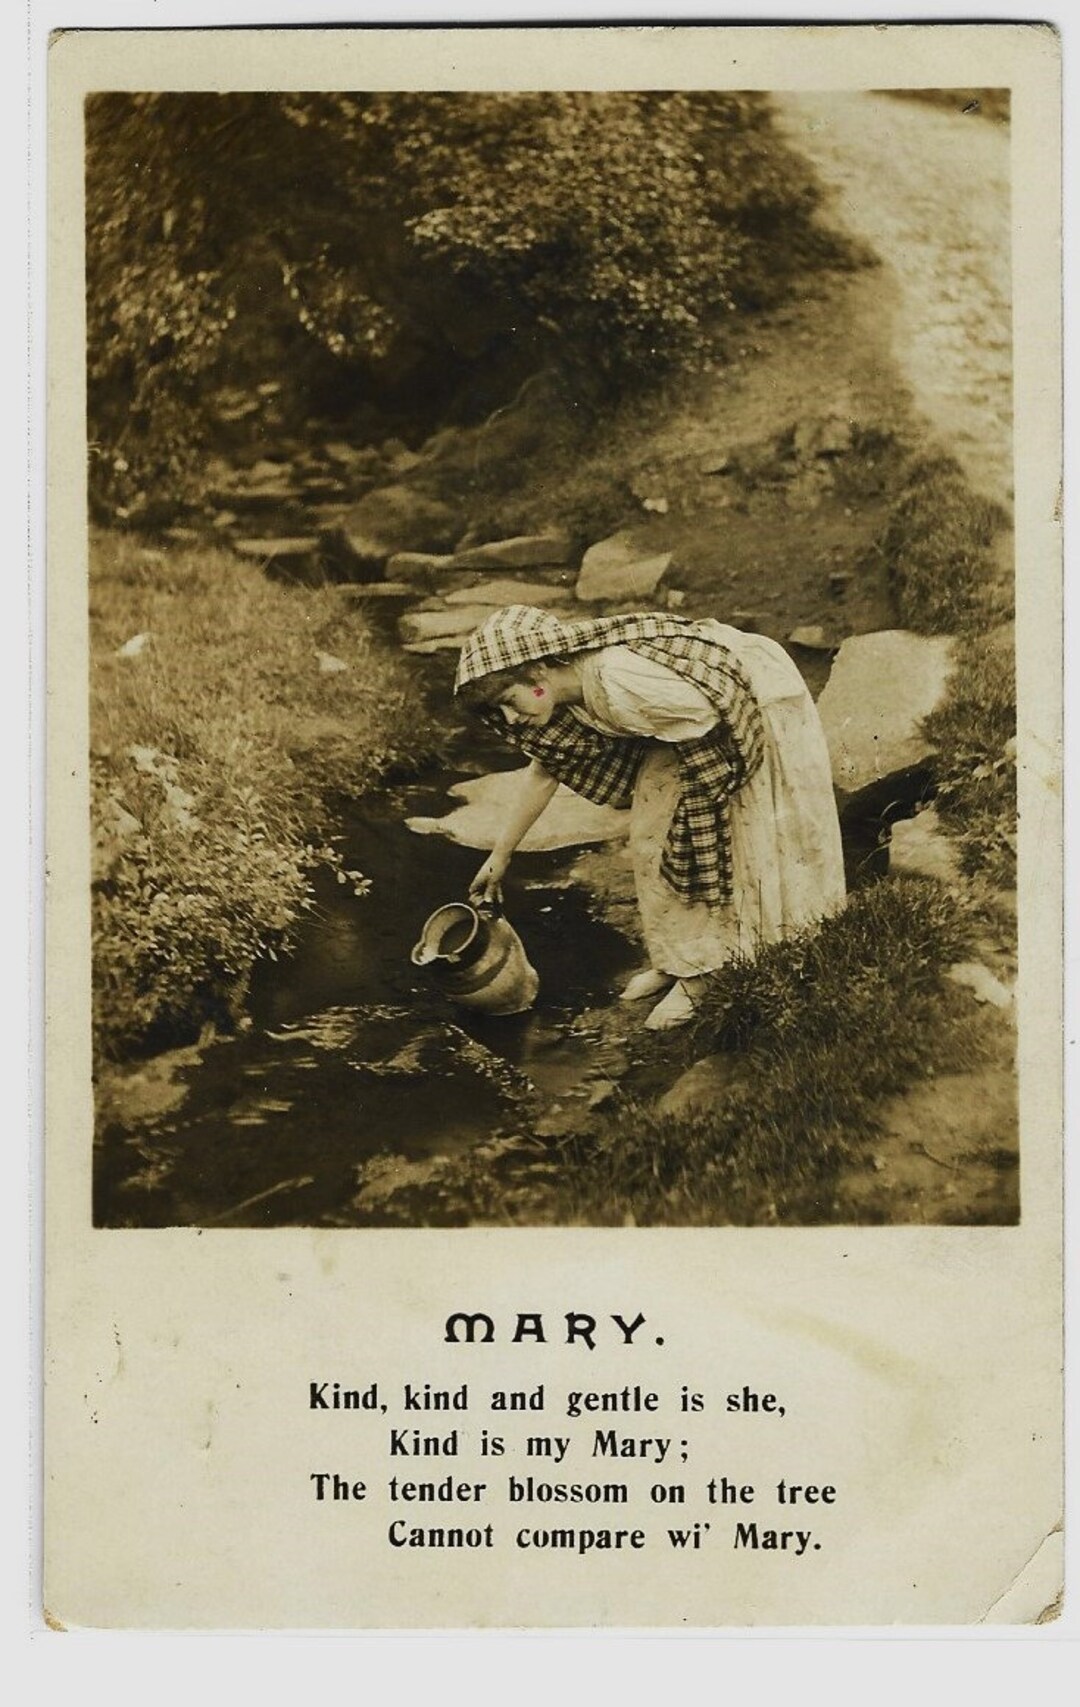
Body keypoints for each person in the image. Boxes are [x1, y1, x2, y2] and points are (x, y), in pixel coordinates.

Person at [454, 604, 845, 1029]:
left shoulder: (618, 682)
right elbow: (544, 771)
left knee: (716, 844)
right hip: (690, 721)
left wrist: (700, 807)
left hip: (752, 703)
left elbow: (717, 712)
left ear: (539, 672)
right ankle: (679, 960)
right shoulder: (569, 695)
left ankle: (705, 975)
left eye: (510, 701)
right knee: (651, 838)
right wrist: (500, 856)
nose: (512, 718)